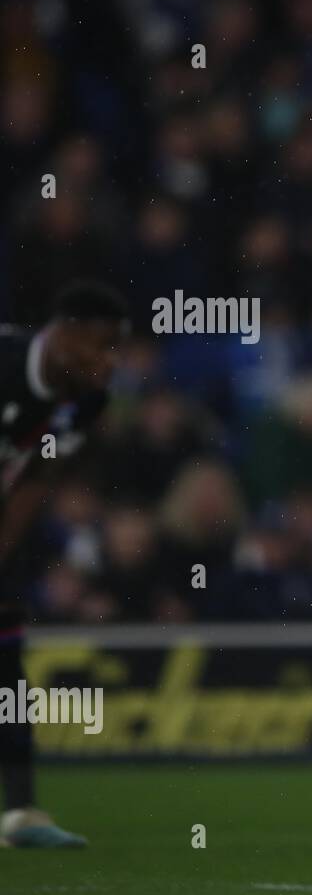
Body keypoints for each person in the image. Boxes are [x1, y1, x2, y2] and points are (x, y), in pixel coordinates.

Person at [0, 280, 128, 848]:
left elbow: (38, 476)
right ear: (63, 336)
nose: (108, 363)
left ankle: (21, 813)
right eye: (100, 347)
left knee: (7, 662)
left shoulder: (86, 401)